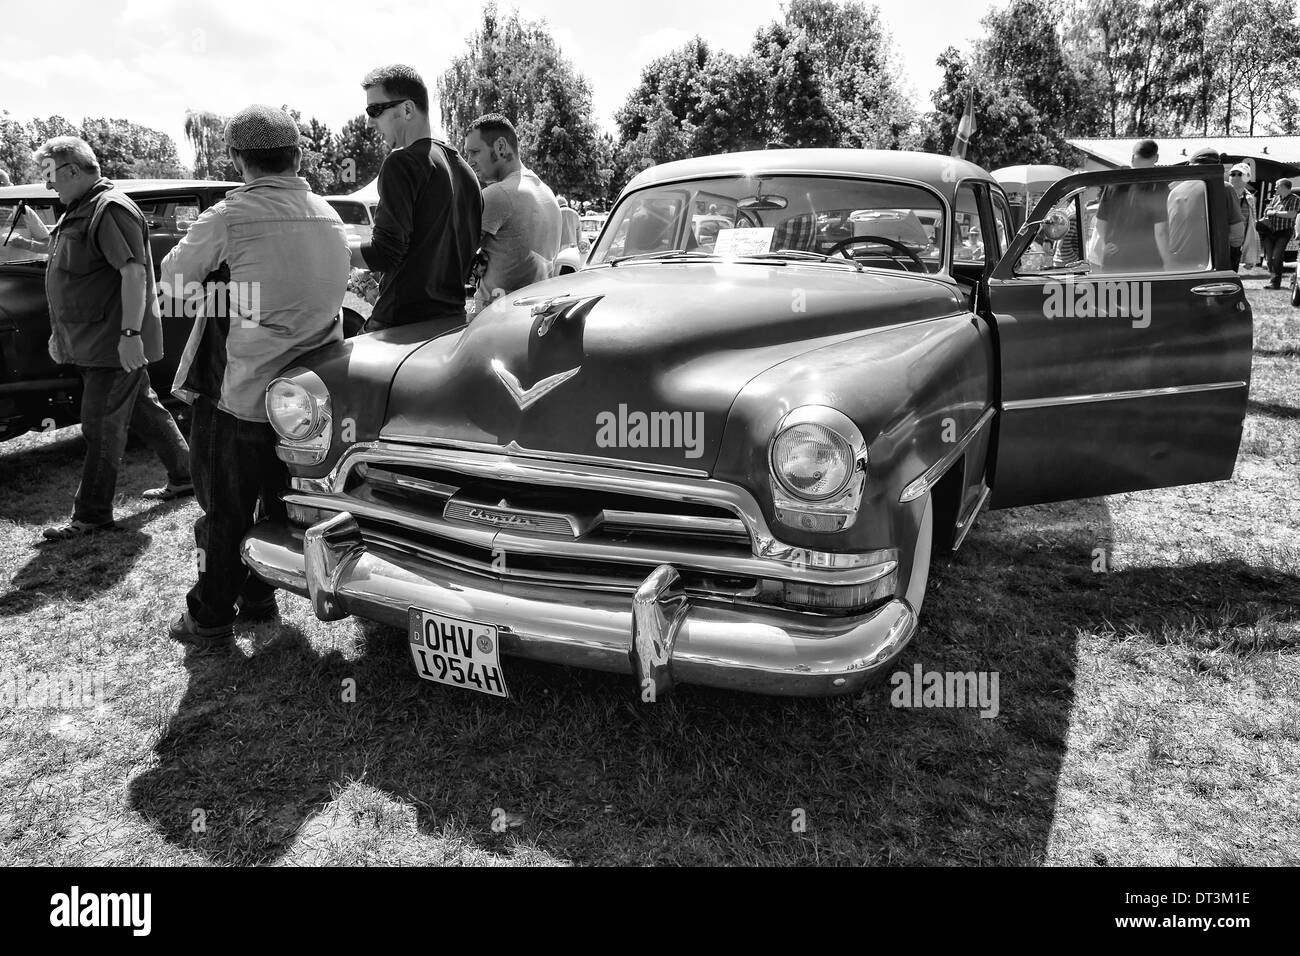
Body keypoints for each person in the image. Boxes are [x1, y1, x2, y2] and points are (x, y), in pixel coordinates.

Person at [160, 105, 351, 643]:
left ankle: (210, 614)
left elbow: (172, 283)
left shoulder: (228, 217)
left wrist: (225, 294)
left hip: (239, 392)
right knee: (276, 501)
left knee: (223, 509)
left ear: (240, 160)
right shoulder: (329, 215)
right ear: (295, 157)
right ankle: (260, 595)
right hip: (302, 400)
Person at [33, 136, 193, 541]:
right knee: (144, 410)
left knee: (100, 426)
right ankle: (187, 476)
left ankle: (92, 514)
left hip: (111, 343)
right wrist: (60, 335)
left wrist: (128, 335)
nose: (48, 186)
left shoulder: (109, 208)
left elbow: (134, 273)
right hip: (95, 342)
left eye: (50, 175)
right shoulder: (81, 208)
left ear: (71, 170)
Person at [348, 64, 482, 331]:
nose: (370, 121)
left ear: (407, 109)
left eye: (375, 110)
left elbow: (386, 252)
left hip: (400, 324)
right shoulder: (466, 172)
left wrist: (339, 247)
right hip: (452, 322)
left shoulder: (402, 162)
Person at [462, 113, 561, 312]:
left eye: (474, 152)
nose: (468, 161)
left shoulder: (497, 195)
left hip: (495, 321)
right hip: (533, 318)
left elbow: (453, 256)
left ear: (500, 147)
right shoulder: (547, 194)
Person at [1095, 139, 1171, 272]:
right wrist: (1168, 263)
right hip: (1147, 265)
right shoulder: (1159, 186)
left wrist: (1106, 243)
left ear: (1132, 157)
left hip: (1113, 263)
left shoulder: (1114, 183)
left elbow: (1100, 223)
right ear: (1156, 158)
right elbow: (1161, 232)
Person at [1165, 146, 1243, 271]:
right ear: (1217, 168)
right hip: (1211, 264)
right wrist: (1232, 258)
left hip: (1177, 264)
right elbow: (1237, 234)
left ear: (1190, 166)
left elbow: (1165, 231)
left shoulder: (1174, 191)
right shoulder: (1225, 188)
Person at [1261, 178, 1298, 289]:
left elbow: (1291, 214)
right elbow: (1267, 211)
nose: (1275, 188)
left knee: (1276, 256)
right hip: (1270, 231)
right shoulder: (1275, 198)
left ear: (1284, 187)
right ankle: (1273, 280)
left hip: (1284, 232)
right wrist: (1271, 212)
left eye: (1277, 186)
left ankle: (1275, 283)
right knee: (1269, 259)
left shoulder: (1295, 199)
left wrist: (1275, 212)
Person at [1228, 163, 1256, 272]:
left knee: (1232, 272)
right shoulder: (1221, 193)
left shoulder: (1249, 198)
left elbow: (1252, 225)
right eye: (1232, 174)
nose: (1234, 177)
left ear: (1246, 177)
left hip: (1237, 241)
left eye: (1239, 174)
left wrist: (1250, 254)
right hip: (1220, 239)